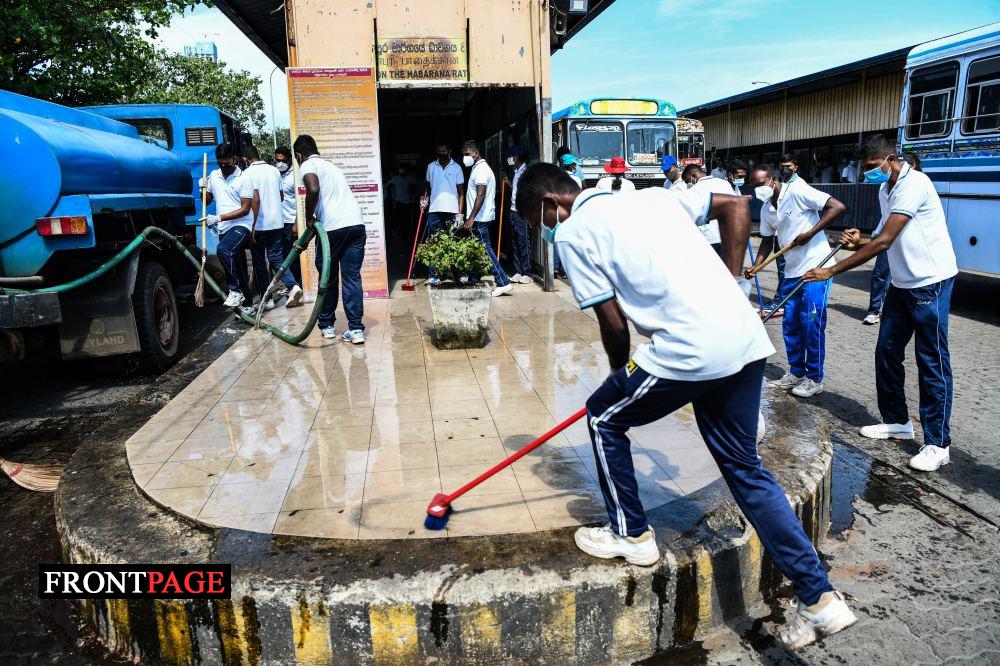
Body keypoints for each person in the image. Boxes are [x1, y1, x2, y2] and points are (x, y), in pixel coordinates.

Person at [516, 162, 856, 649]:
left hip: (689, 349)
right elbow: (735, 205)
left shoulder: (572, 233)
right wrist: (734, 281)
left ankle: (631, 535)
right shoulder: (653, 197)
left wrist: (618, 378)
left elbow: (613, 324)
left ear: (552, 203)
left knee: (604, 416)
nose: (543, 230)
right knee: (745, 468)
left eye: (538, 220)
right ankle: (819, 599)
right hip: (742, 337)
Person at [804, 135, 957, 472]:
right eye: (865, 168)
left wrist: (831, 270)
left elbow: (885, 241)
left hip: (930, 282)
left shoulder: (915, 184)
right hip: (902, 284)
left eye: (873, 166)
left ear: (891, 159)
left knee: (931, 361)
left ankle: (938, 443)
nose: (868, 173)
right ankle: (897, 421)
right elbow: (879, 236)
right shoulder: (885, 189)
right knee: (886, 352)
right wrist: (858, 240)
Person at [747, 164, 846, 398]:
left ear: (773, 180)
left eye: (760, 184)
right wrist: (757, 266)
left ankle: (815, 378)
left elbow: (837, 207)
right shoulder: (767, 209)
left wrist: (811, 232)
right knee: (790, 324)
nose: (758, 189)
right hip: (791, 273)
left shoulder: (798, 191)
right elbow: (767, 241)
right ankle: (796, 372)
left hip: (816, 268)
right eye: (754, 186)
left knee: (811, 323)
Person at [294, 135, 367, 344]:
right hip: (356, 225)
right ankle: (356, 330)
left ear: (299, 155)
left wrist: (308, 218)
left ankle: (326, 326)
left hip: (332, 229)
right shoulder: (332, 167)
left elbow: (313, 189)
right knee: (352, 278)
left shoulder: (308, 165)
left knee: (328, 277)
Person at [243, 144, 301, 310]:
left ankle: (266, 299)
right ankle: (293, 286)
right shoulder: (274, 171)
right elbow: (281, 196)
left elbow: (254, 201)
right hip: (277, 223)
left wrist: (252, 227)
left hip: (260, 225)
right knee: (276, 258)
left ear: (246, 159)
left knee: (259, 262)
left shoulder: (247, 173)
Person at [200, 143, 255, 311]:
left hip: (241, 224)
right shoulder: (214, 175)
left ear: (234, 159)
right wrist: (202, 189)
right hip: (224, 227)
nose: (223, 166)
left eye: (227, 162)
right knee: (238, 264)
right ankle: (248, 304)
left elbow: (245, 210)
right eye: (220, 162)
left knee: (223, 249)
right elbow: (207, 201)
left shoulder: (244, 178)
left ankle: (235, 290)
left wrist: (218, 218)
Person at [461, 140, 512, 297]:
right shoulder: (478, 168)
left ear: (475, 154)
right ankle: (474, 277)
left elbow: (481, 194)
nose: (465, 158)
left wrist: (471, 217)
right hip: (480, 217)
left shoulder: (481, 170)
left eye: (467, 154)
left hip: (479, 218)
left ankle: (503, 282)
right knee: (477, 248)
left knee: (485, 249)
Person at [423, 143, 466, 284]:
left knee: (455, 242)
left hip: (452, 211)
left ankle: (459, 274)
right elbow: (427, 188)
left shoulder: (457, 167)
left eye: (444, 151)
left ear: (449, 151)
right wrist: (424, 199)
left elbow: (461, 192)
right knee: (434, 242)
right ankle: (435, 275)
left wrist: (460, 214)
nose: (442, 153)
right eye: (439, 151)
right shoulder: (431, 167)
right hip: (434, 210)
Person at [274, 146, 304, 297]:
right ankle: (292, 286)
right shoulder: (275, 174)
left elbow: (300, 200)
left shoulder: (295, 176)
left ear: (288, 159)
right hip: (279, 221)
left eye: (282, 160)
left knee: (294, 255)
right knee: (283, 255)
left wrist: (296, 223)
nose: (280, 163)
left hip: (291, 221)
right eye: (277, 160)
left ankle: (298, 284)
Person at [681, 164, 728, 258]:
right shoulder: (724, 183)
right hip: (727, 237)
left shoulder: (694, 190)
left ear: (693, 176)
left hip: (708, 239)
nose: (688, 184)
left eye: (687, 181)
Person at [505, 145, 533, 284]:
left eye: (511, 156)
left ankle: (527, 272)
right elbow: (516, 190)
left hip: (522, 212)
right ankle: (518, 271)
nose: (509, 158)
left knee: (523, 242)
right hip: (513, 210)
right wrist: (508, 183)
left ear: (516, 158)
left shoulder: (526, 172)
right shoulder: (516, 172)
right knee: (515, 241)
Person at [387, 164, 415, 243]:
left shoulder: (410, 178)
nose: (402, 170)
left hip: (408, 202)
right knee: (399, 220)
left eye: (403, 169)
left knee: (408, 220)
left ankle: (408, 236)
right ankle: (400, 236)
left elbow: (416, 188)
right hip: (399, 202)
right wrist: (392, 197)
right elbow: (388, 186)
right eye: (400, 169)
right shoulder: (395, 178)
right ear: (398, 170)